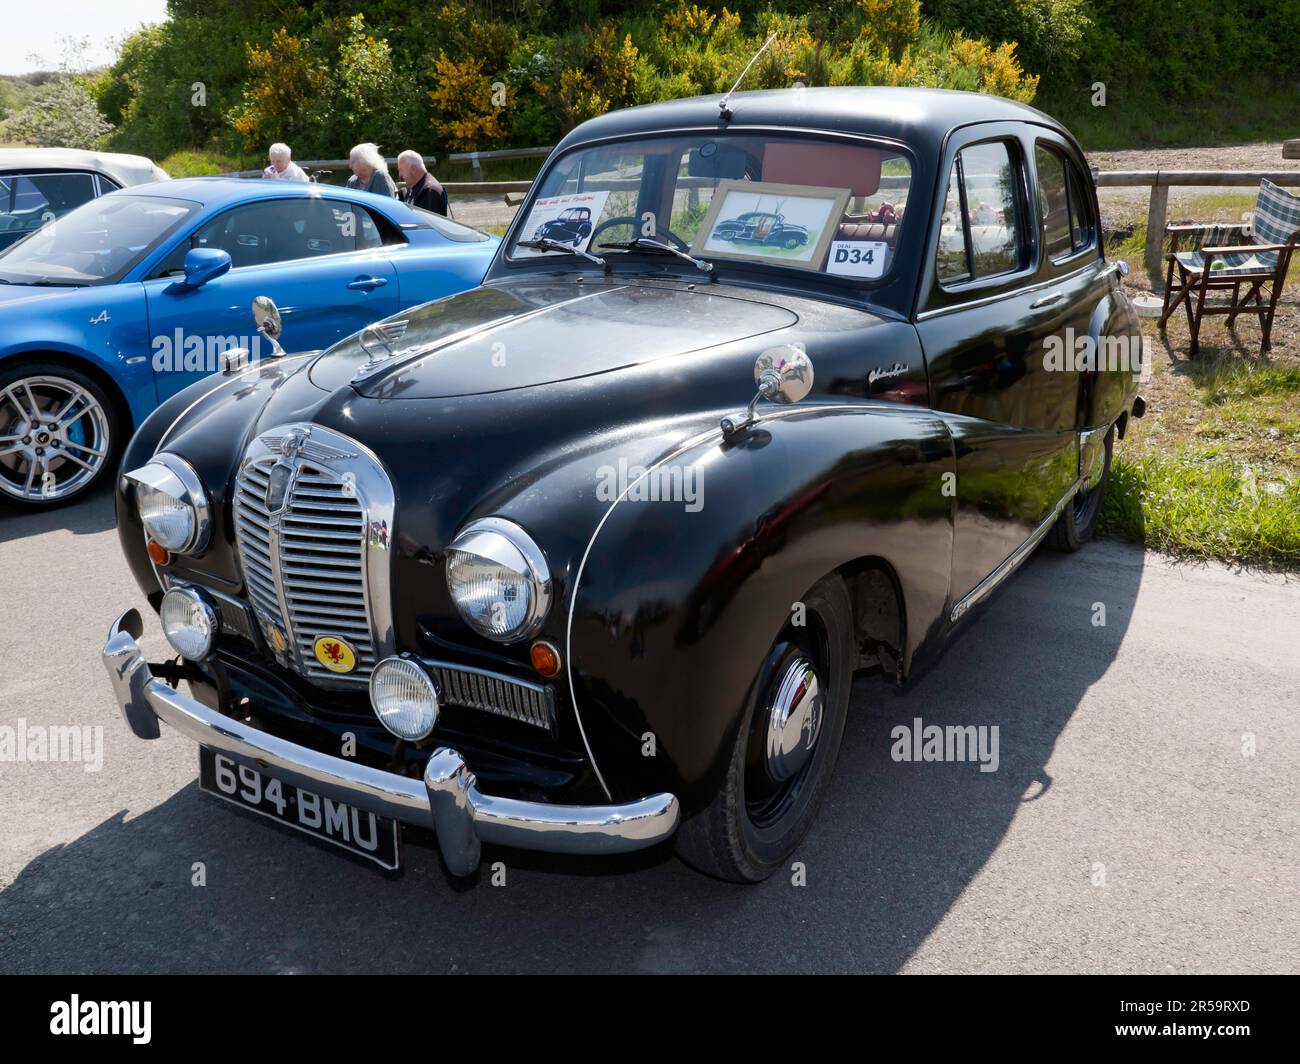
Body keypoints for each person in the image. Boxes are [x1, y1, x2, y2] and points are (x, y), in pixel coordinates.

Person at [396, 150, 449, 216]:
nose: (400, 174)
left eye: (401, 170)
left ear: (413, 169)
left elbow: (427, 224)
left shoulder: (430, 191)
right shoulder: (414, 186)